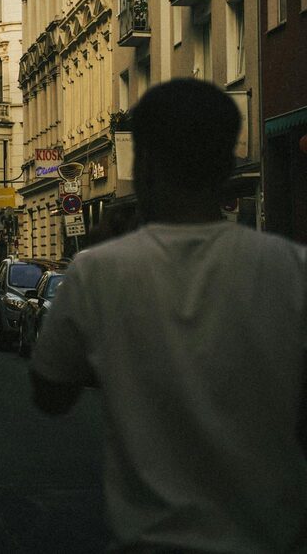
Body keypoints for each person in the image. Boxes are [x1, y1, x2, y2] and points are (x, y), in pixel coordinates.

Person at [30, 78, 307, 553]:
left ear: (144, 164)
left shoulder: (98, 271)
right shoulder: (292, 269)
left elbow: (51, 395)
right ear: (226, 164)